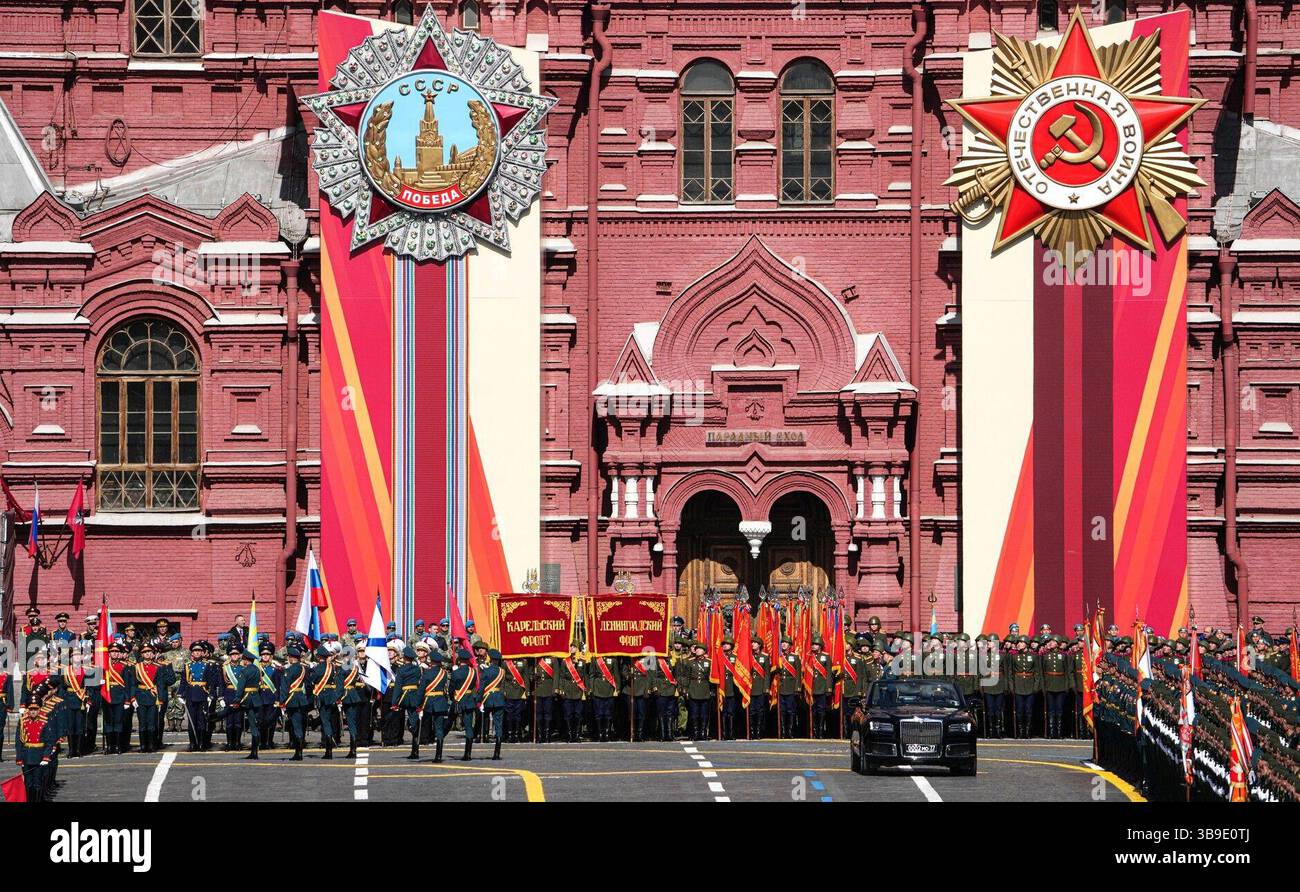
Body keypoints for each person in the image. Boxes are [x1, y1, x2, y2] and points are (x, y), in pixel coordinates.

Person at [15, 698, 57, 802]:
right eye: (31, 709)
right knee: (28, 784)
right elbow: (18, 742)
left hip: (39, 756)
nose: (33, 711)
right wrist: (19, 757)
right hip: (26, 756)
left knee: (38, 783)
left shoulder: (44, 722)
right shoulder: (23, 723)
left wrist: (46, 757)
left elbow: (49, 742)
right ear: (28, 710)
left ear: (39, 710)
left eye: (35, 709)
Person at [132, 643, 169, 754]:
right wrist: (133, 698)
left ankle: (152, 745)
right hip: (140, 696)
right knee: (142, 723)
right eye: (145, 652)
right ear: (142, 654)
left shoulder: (159, 667)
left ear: (153, 654)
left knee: (152, 723)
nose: (147, 654)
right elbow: (133, 684)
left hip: (153, 697)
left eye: (149, 652)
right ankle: (143, 745)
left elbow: (161, 684)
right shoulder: (137, 667)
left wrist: (161, 699)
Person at [309, 645, 342, 759]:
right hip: (332, 697)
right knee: (330, 720)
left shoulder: (317, 669)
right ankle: (330, 746)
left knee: (325, 722)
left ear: (319, 657)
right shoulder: (333, 667)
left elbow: (311, 681)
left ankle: (329, 751)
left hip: (322, 697)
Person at [102, 642, 134, 754]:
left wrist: (127, 700)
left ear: (119, 653)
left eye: (116, 651)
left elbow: (128, 684)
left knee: (118, 722)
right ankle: (110, 746)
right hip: (107, 696)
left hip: (119, 697)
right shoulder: (104, 665)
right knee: (108, 722)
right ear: (109, 653)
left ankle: (118, 746)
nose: (114, 653)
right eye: (112, 652)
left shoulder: (124, 666)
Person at [392, 645, 423, 758]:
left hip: (405, 696)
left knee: (408, 721)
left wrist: (394, 702)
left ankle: (412, 729)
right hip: (414, 696)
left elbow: (398, 687)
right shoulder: (417, 669)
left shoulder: (401, 670)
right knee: (413, 719)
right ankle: (415, 750)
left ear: (405, 658)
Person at [1010, 635, 1042, 738]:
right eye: (1018, 642)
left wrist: (1036, 687)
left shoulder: (1033, 656)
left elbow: (1037, 673)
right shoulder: (1014, 656)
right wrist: (1012, 687)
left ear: (1026, 644)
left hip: (1030, 686)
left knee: (1028, 710)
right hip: (1018, 686)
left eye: (1021, 642)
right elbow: (1011, 673)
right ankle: (1020, 731)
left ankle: (1028, 732)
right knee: (1019, 711)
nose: (1018, 644)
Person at [450, 649, 479, 760]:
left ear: (459, 660)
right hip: (469, 700)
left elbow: (451, 688)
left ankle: (439, 747)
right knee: (468, 726)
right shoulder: (473, 672)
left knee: (449, 723)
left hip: (457, 699)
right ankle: (468, 754)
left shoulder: (455, 672)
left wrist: (453, 699)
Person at [479, 649, 507, 760]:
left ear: (490, 659)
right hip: (499, 699)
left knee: (485, 719)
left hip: (488, 699)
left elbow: (481, 688)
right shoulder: (502, 671)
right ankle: (497, 753)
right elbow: (503, 686)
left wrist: (479, 700)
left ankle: (484, 736)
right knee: (498, 724)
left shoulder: (486, 671)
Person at [556, 644, 587, 743]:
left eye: (573, 647)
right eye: (570, 647)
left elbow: (585, 676)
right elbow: (561, 676)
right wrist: (561, 688)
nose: (571, 648)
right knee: (568, 714)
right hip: (568, 690)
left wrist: (587, 689)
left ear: (577, 649)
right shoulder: (565, 661)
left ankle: (577, 735)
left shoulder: (582, 660)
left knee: (578, 714)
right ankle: (570, 735)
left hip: (578, 690)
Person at [684, 641, 714, 741]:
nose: (697, 650)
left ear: (704, 651)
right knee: (694, 713)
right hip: (693, 688)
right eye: (696, 649)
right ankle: (696, 733)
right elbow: (687, 677)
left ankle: (703, 733)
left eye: (699, 649)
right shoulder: (690, 662)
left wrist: (712, 690)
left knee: (704, 714)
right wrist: (686, 689)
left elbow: (712, 678)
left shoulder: (709, 662)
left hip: (705, 689)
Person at [587, 652, 620, 742]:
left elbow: (616, 674)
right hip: (598, 688)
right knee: (599, 713)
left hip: (609, 688)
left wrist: (617, 688)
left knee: (608, 713)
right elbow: (592, 675)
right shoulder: (595, 658)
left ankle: (607, 733)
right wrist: (591, 688)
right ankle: (600, 734)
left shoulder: (613, 659)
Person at [254, 644, 281, 750]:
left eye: (267, 654)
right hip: (260, 697)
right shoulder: (257, 668)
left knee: (271, 722)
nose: (265, 656)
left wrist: (278, 699)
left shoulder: (275, 669)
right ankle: (262, 742)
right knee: (260, 721)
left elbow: (278, 685)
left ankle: (270, 741)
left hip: (271, 697)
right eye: (263, 654)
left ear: (271, 656)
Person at [625, 653, 655, 742]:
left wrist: (648, 689)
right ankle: (632, 733)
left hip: (642, 689)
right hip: (631, 689)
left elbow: (651, 676)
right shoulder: (629, 659)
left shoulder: (649, 659)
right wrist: (628, 675)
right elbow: (624, 671)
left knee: (642, 713)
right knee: (632, 713)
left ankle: (640, 733)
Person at [775, 637, 801, 738]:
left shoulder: (795, 657)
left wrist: (797, 688)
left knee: (791, 710)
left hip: (791, 688)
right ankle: (783, 732)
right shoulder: (779, 658)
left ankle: (790, 732)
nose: (784, 644)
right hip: (782, 688)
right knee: (783, 711)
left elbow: (798, 674)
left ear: (790, 645)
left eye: (786, 643)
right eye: (782, 643)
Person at [501, 653, 530, 743]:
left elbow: (526, 677)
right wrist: (503, 690)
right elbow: (503, 678)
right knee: (509, 714)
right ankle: (510, 734)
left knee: (518, 714)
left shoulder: (523, 662)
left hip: (519, 691)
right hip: (509, 691)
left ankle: (517, 734)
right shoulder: (506, 662)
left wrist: (527, 690)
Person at [808, 635, 833, 739]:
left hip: (822, 688)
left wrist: (828, 688)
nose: (814, 646)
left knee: (821, 710)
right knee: (813, 711)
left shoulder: (826, 656)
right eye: (813, 644)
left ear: (820, 646)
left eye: (816, 644)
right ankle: (814, 731)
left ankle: (821, 731)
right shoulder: (809, 656)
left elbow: (828, 674)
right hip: (812, 688)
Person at [650, 651, 678, 742]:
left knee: (670, 713)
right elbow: (653, 675)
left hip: (671, 688)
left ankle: (669, 734)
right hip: (661, 689)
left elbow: (677, 674)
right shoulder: (657, 660)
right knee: (661, 713)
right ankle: (662, 734)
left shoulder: (672, 660)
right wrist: (655, 688)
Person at [748, 636, 771, 739]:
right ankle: (752, 731)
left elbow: (767, 675)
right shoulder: (748, 656)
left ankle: (759, 731)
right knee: (752, 710)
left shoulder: (765, 657)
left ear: (760, 645)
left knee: (760, 710)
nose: (753, 644)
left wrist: (766, 688)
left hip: (760, 687)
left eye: (755, 643)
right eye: (752, 643)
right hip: (750, 687)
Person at [533, 653, 558, 743]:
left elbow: (556, 675)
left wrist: (555, 689)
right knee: (539, 713)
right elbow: (530, 673)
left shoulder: (553, 659)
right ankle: (540, 735)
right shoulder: (536, 659)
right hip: (539, 689)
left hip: (549, 689)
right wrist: (534, 676)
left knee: (548, 713)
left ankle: (547, 735)